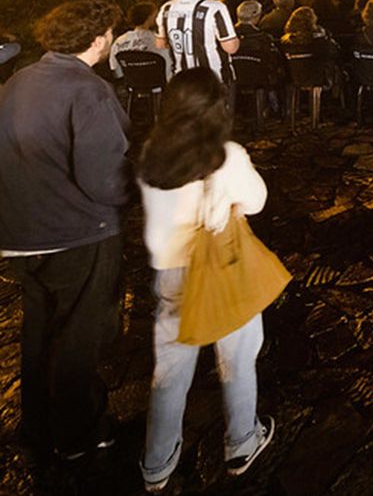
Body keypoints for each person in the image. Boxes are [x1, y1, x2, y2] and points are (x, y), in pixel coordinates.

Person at [0, 0, 130, 460]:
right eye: (109, 33)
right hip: (76, 231)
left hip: (21, 231)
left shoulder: (20, 80)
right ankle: (78, 434)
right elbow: (104, 178)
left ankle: (37, 424)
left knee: (39, 331)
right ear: (97, 39)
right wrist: (138, 189)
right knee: (78, 335)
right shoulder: (88, 90)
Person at [137, 68, 274, 492]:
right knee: (237, 357)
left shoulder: (151, 152)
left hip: (170, 272)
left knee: (170, 370)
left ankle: (157, 461)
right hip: (220, 269)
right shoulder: (225, 156)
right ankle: (242, 440)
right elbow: (257, 200)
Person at [157, 0, 240, 81]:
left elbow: (160, 44)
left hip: (181, 77)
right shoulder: (215, 8)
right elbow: (231, 47)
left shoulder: (167, 7)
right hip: (213, 79)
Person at [110, 1, 174, 80]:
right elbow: (169, 69)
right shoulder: (161, 42)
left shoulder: (119, 42)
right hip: (158, 84)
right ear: (149, 18)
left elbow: (116, 72)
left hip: (131, 86)